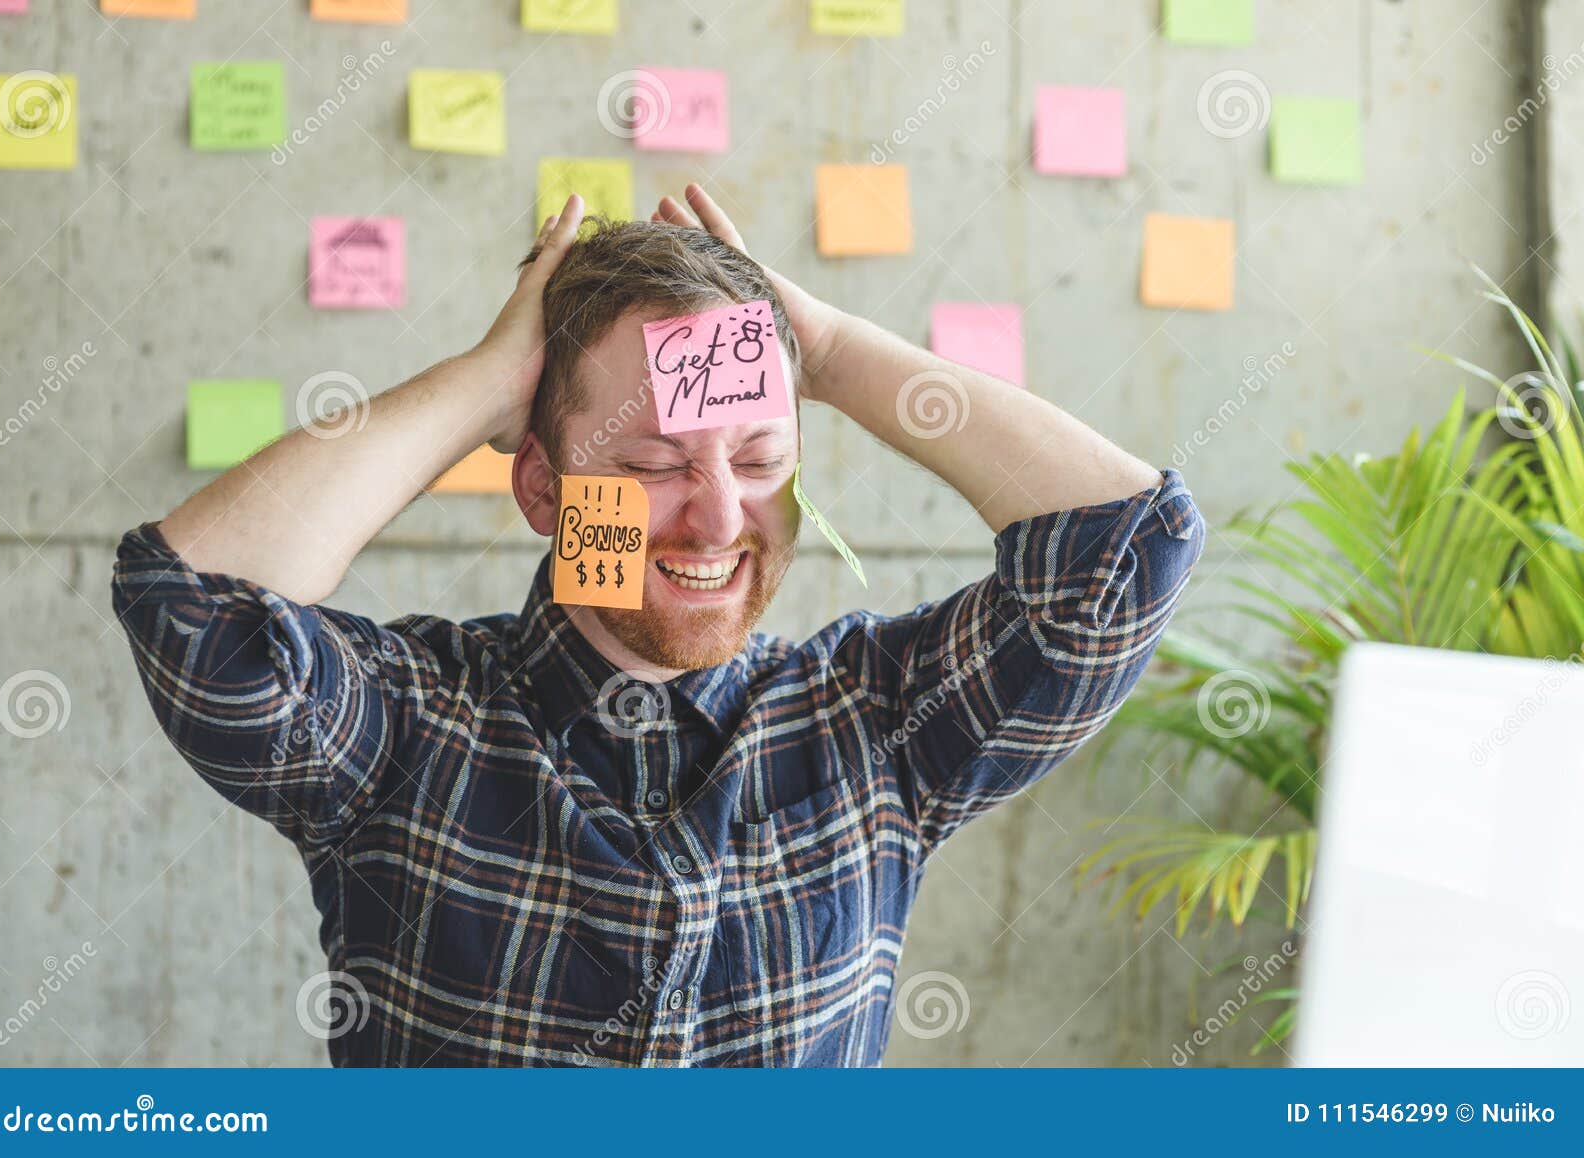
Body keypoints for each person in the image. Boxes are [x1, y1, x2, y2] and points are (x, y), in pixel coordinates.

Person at [111, 186, 1204, 1066]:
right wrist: (486, 385)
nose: (721, 518)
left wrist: (822, 351)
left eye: (761, 460)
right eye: (652, 465)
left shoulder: (875, 721)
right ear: (544, 491)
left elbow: (1127, 548)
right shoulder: (410, 724)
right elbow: (191, 610)